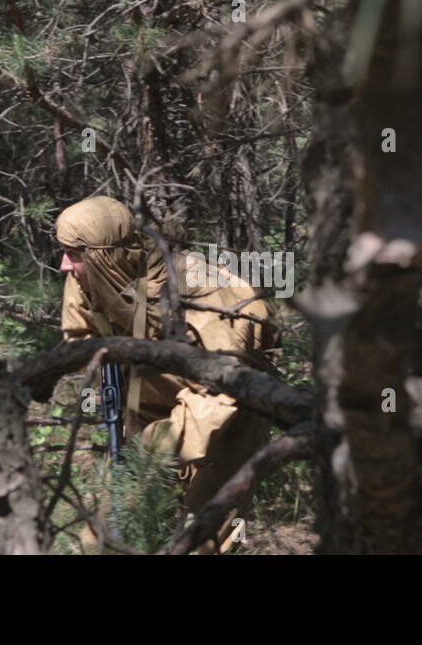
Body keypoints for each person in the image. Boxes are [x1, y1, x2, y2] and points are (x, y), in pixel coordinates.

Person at [55, 196, 275, 553]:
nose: (65, 265)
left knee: (205, 537)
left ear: (105, 255)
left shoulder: (203, 288)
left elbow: (224, 388)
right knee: (108, 534)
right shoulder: (89, 278)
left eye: (73, 254)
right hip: (148, 412)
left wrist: (157, 447)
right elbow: (81, 340)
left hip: (227, 417)